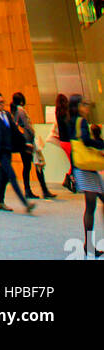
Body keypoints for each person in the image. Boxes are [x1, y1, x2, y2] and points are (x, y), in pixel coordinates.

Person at [0, 90, 35, 214]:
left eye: (3, 102)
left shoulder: (7, 114)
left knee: (4, 176)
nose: (2, 104)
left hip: (8, 148)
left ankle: (0, 201)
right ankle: (25, 203)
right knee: (11, 175)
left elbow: (15, 131)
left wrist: (25, 143)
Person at [68, 94, 104, 258]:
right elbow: (85, 141)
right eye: (84, 104)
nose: (87, 107)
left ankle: (88, 245)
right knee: (90, 207)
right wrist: (101, 145)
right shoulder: (80, 121)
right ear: (77, 106)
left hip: (83, 167)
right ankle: (88, 245)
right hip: (85, 168)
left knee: (92, 206)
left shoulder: (71, 121)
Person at [11, 91, 55, 199]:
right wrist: (33, 136)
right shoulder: (21, 110)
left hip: (22, 142)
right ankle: (44, 190)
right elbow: (27, 126)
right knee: (37, 163)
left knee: (27, 166)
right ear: (22, 101)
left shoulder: (14, 112)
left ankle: (28, 190)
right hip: (28, 141)